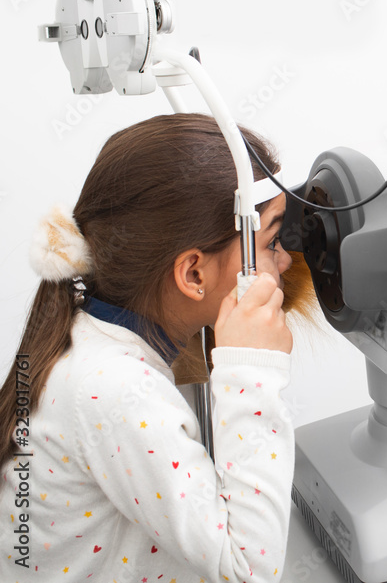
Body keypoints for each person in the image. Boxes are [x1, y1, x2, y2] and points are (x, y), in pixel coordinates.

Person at [0, 113, 302, 582]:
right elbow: (251, 571)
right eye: (271, 241)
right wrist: (253, 374)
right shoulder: (118, 391)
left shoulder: (95, 331)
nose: (284, 260)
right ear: (194, 275)